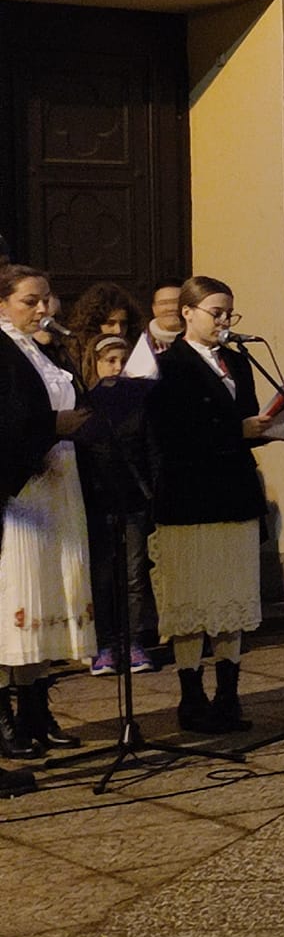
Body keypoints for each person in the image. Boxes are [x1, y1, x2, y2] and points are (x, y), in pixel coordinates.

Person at [144, 277, 279, 734]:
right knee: (193, 600)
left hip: (234, 491)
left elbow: (249, 422)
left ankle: (228, 696)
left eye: (228, 314)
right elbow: (171, 437)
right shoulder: (168, 366)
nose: (223, 321)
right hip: (188, 495)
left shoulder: (238, 363)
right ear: (187, 313)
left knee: (232, 596)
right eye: (215, 312)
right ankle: (191, 696)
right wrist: (235, 432)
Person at [0, 265, 96, 760]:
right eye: (29, 301)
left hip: (60, 481)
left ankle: (37, 710)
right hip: (21, 491)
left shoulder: (44, 351)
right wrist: (49, 425)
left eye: (46, 299)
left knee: (48, 594)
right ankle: (6, 720)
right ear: (2, 304)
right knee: (16, 598)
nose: (42, 309)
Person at [76, 336, 159, 678]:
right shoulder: (87, 403)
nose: (117, 366)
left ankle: (133, 639)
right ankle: (105, 643)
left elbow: (151, 450)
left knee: (134, 573)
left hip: (132, 501)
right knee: (104, 575)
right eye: (109, 359)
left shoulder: (140, 403)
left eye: (122, 359)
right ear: (94, 364)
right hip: (98, 501)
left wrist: (154, 492)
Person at [65, 281, 141, 379]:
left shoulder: (136, 353)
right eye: (110, 323)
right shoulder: (76, 359)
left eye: (123, 324)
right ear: (94, 324)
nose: (118, 330)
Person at [122, 284, 185, 379]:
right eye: (163, 303)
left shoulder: (201, 340)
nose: (171, 308)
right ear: (154, 308)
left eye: (176, 302)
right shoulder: (137, 341)